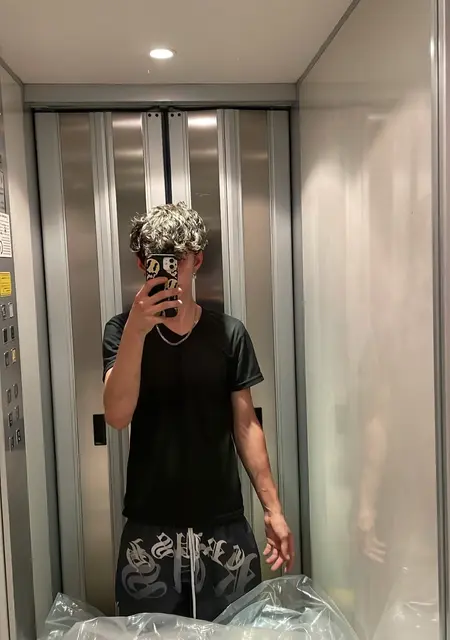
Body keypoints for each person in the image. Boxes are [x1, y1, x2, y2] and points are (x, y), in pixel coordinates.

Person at [102, 202, 294, 621]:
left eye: (180, 259)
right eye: (158, 260)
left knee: (235, 629)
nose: (170, 272)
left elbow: (246, 426)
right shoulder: (121, 331)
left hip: (222, 520)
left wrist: (273, 509)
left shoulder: (228, 333)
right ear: (142, 264)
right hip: (150, 523)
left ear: (197, 261)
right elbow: (116, 415)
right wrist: (137, 330)